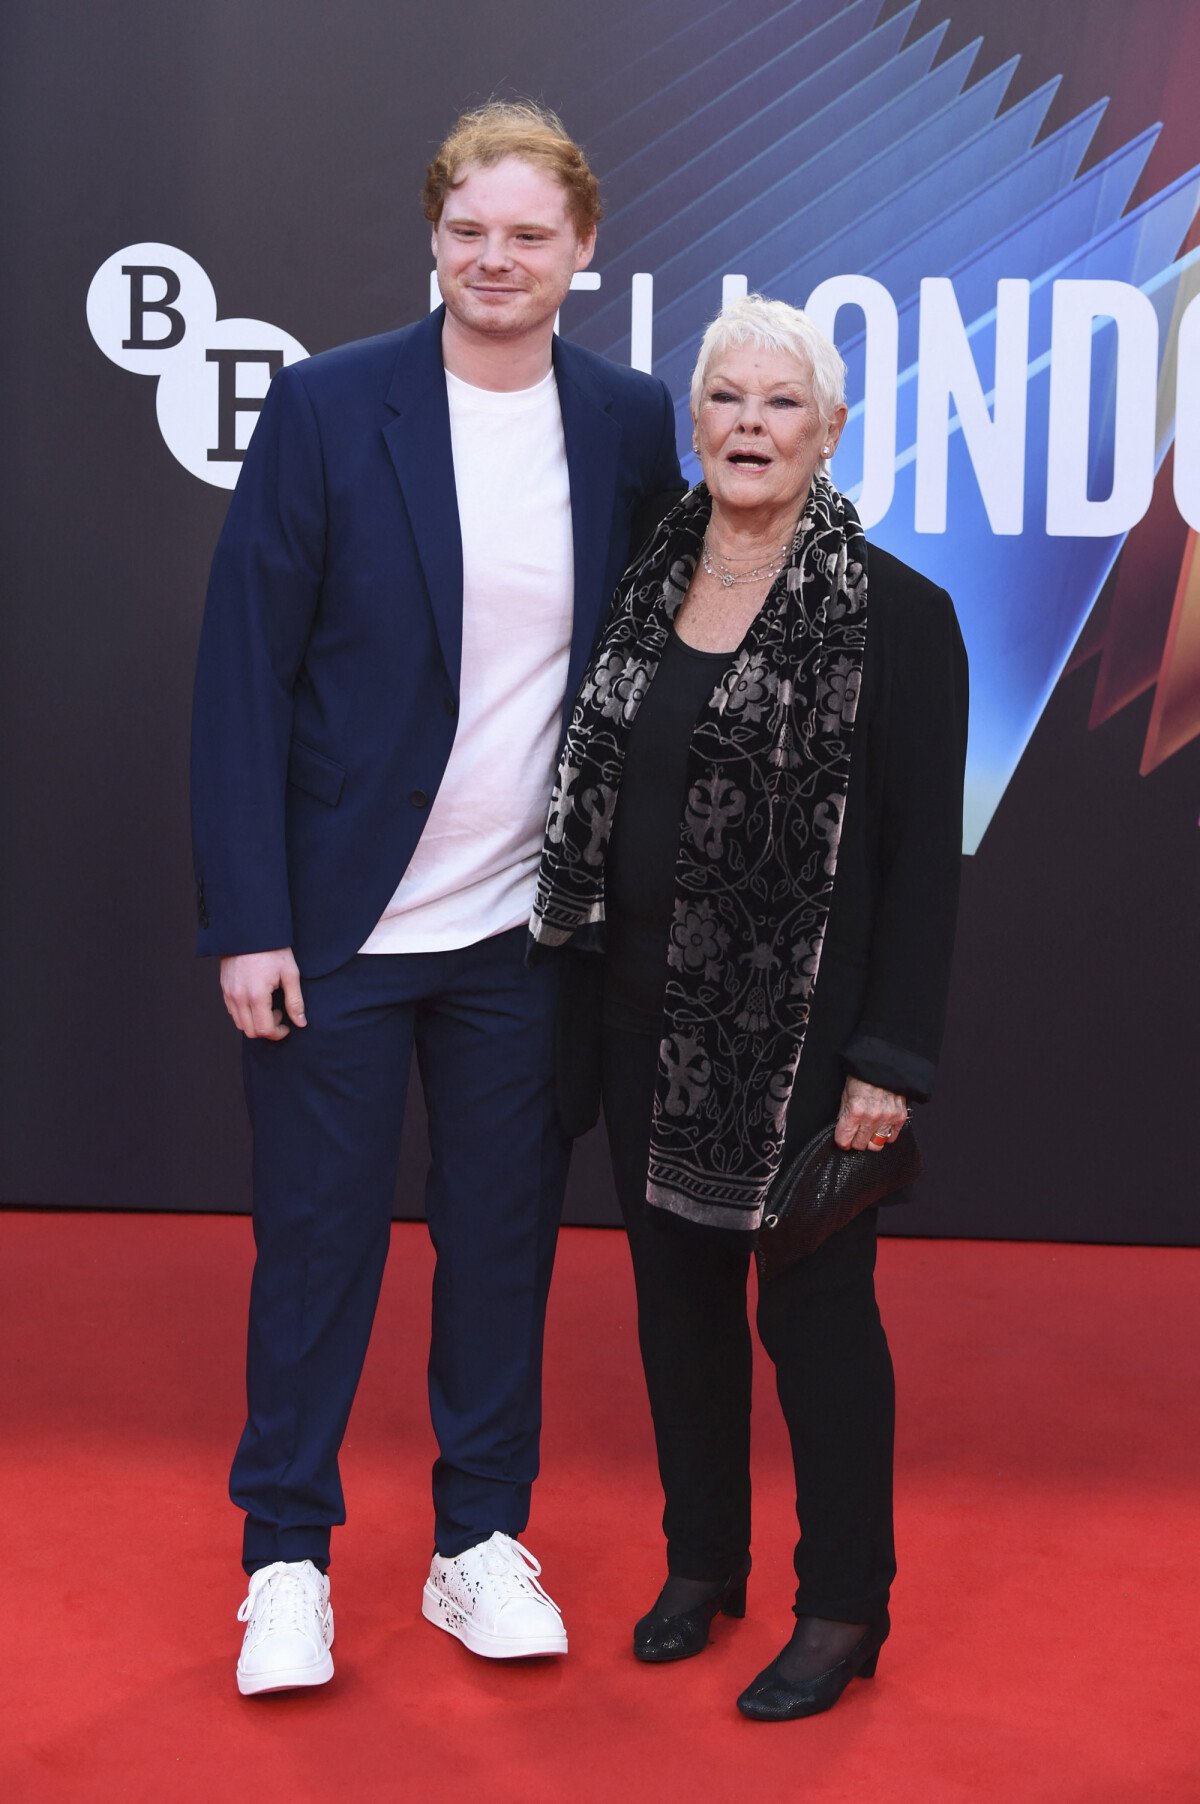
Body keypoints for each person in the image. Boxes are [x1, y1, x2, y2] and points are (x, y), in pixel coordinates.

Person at [190, 100, 684, 1695]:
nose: (498, 258)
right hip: (337, 928)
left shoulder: (621, 418)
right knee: (318, 1247)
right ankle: (286, 1560)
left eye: (531, 234)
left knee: (499, 1246)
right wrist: (249, 917)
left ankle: (478, 1542)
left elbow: (646, 653)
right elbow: (242, 681)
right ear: (433, 236)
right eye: (472, 228)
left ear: (585, 253)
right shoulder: (331, 407)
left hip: (523, 934)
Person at [531, 295, 968, 1721]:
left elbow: (916, 866)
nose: (750, 427)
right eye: (725, 399)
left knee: (819, 1326)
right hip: (638, 1019)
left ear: (830, 432)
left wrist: (886, 1062)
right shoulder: (640, 585)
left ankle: (844, 1604)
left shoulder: (900, 617)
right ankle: (701, 1561)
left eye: (782, 404)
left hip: (805, 1048)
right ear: (696, 421)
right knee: (677, 1315)